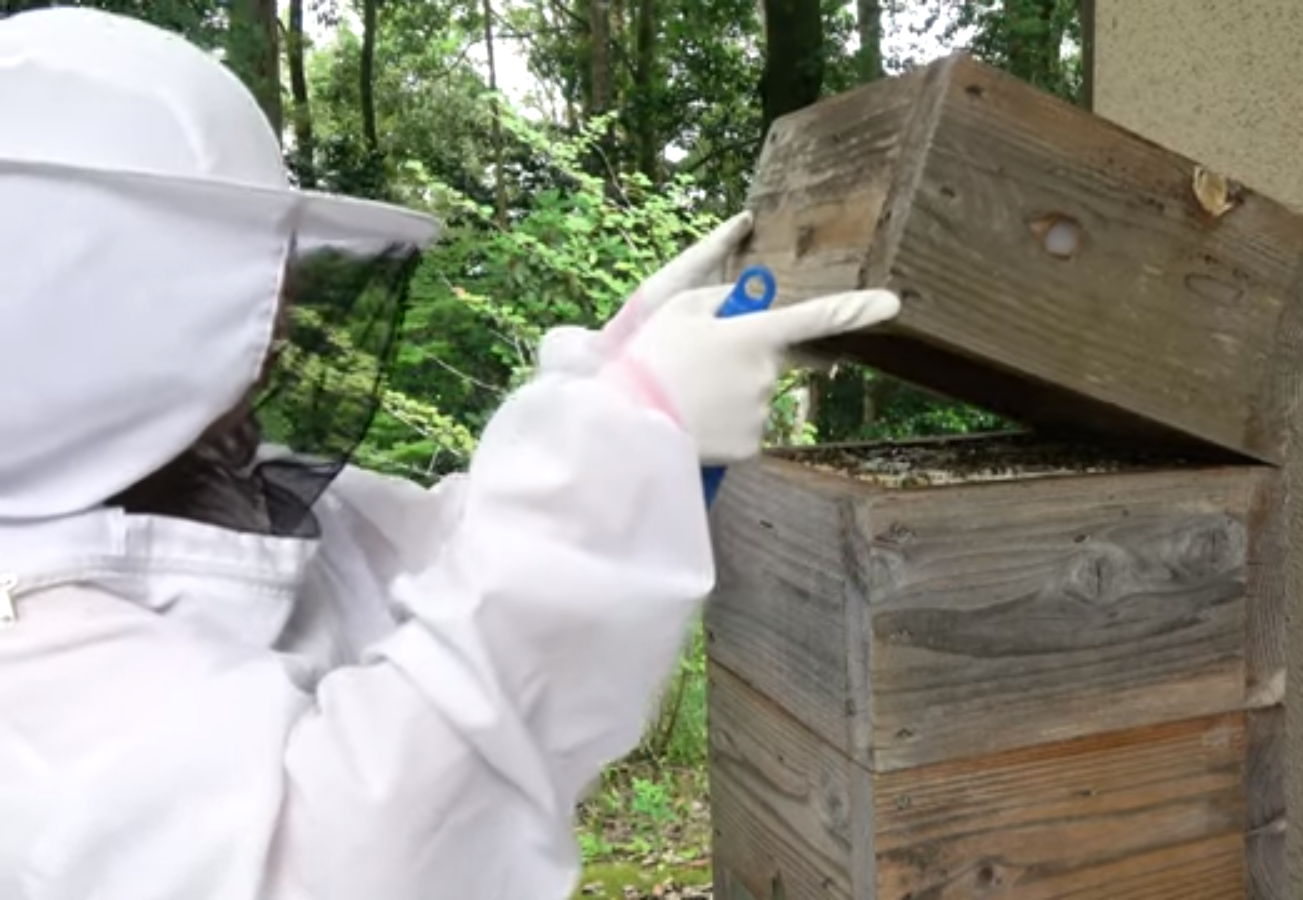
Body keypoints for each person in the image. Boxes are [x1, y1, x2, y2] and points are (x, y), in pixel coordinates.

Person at [0, 8, 899, 900]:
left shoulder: (205, 485)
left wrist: (609, 384)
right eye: (253, 281)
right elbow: (362, 858)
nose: (278, 324)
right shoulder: (30, 674)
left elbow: (431, 562)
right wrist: (634, 431)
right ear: (96, 300)